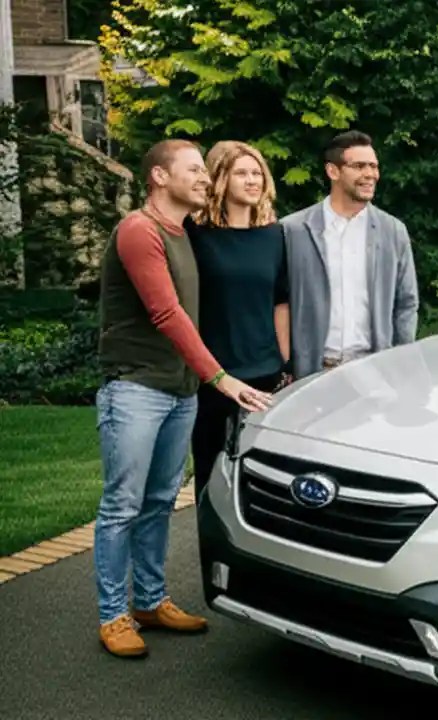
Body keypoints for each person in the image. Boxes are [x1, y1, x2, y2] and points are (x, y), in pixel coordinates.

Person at [94, 138, 273, 658]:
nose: (203, 177)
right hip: (135, 388)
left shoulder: (184, 234)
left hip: (178, 393)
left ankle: (150, 600)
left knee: (158, 503)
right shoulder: (138, 231)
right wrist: (222, 379)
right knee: (122, 505)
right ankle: (113, 614)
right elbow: (166, 314)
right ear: (158, 177)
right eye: (193, 169)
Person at [185, 140, 291, 501]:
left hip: (265, 374)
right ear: (220, 179)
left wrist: (285, 363)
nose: (252, 180)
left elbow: (281, 302)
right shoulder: (195, 236)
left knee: (262, 481)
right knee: (211, 479)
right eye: (241, 173)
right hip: (214, 376)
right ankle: (211, 558)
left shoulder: (275, 236)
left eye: (257, 172)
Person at [280, 130, 419, 379]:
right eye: (359, 166)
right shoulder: (293, 230)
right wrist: (286, 364)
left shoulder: (392, 231)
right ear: (333, 171)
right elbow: (279, 302)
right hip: (313, 373)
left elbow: (406, 303)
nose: (370, 174)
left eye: (374, 166)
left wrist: (400, 363)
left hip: (374, 373)